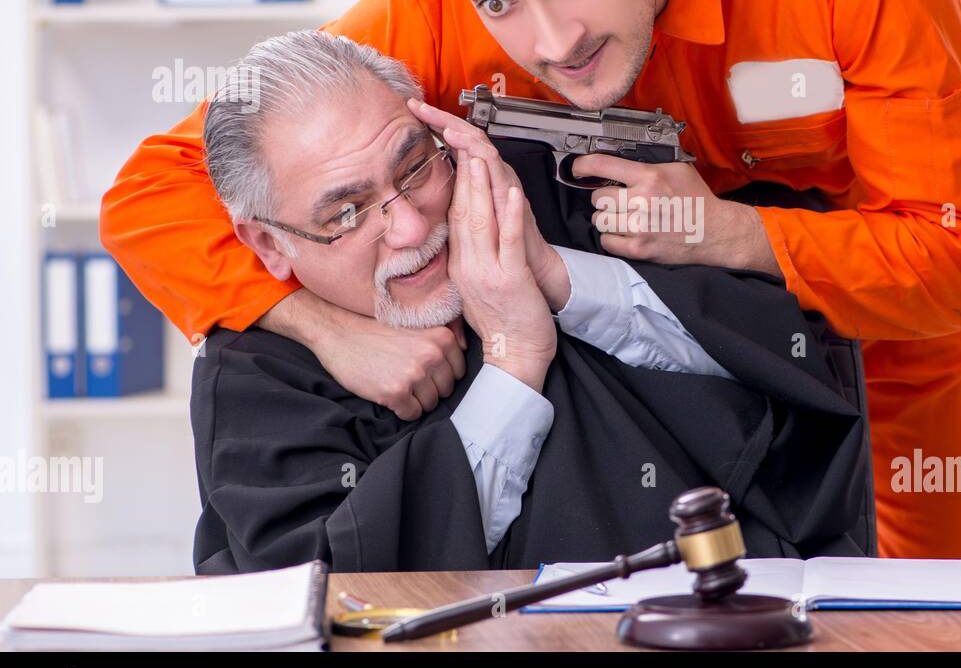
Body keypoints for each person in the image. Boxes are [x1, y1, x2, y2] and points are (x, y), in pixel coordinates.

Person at [102, 0, 961, 558]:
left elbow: (957, 257)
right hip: (685, 378)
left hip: (906, 322)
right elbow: (155, 193)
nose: (552, 41)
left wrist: (731, 230)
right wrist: (327, 331)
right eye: (499, 2)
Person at [190, 29, 870, 572]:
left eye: (415, 166)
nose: (411, 226)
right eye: (346, 213)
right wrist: (514, 360)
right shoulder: (258, 377)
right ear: (269, 243)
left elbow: (796, 366)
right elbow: (335, 596)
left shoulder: (553, 183)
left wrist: (560, 280)